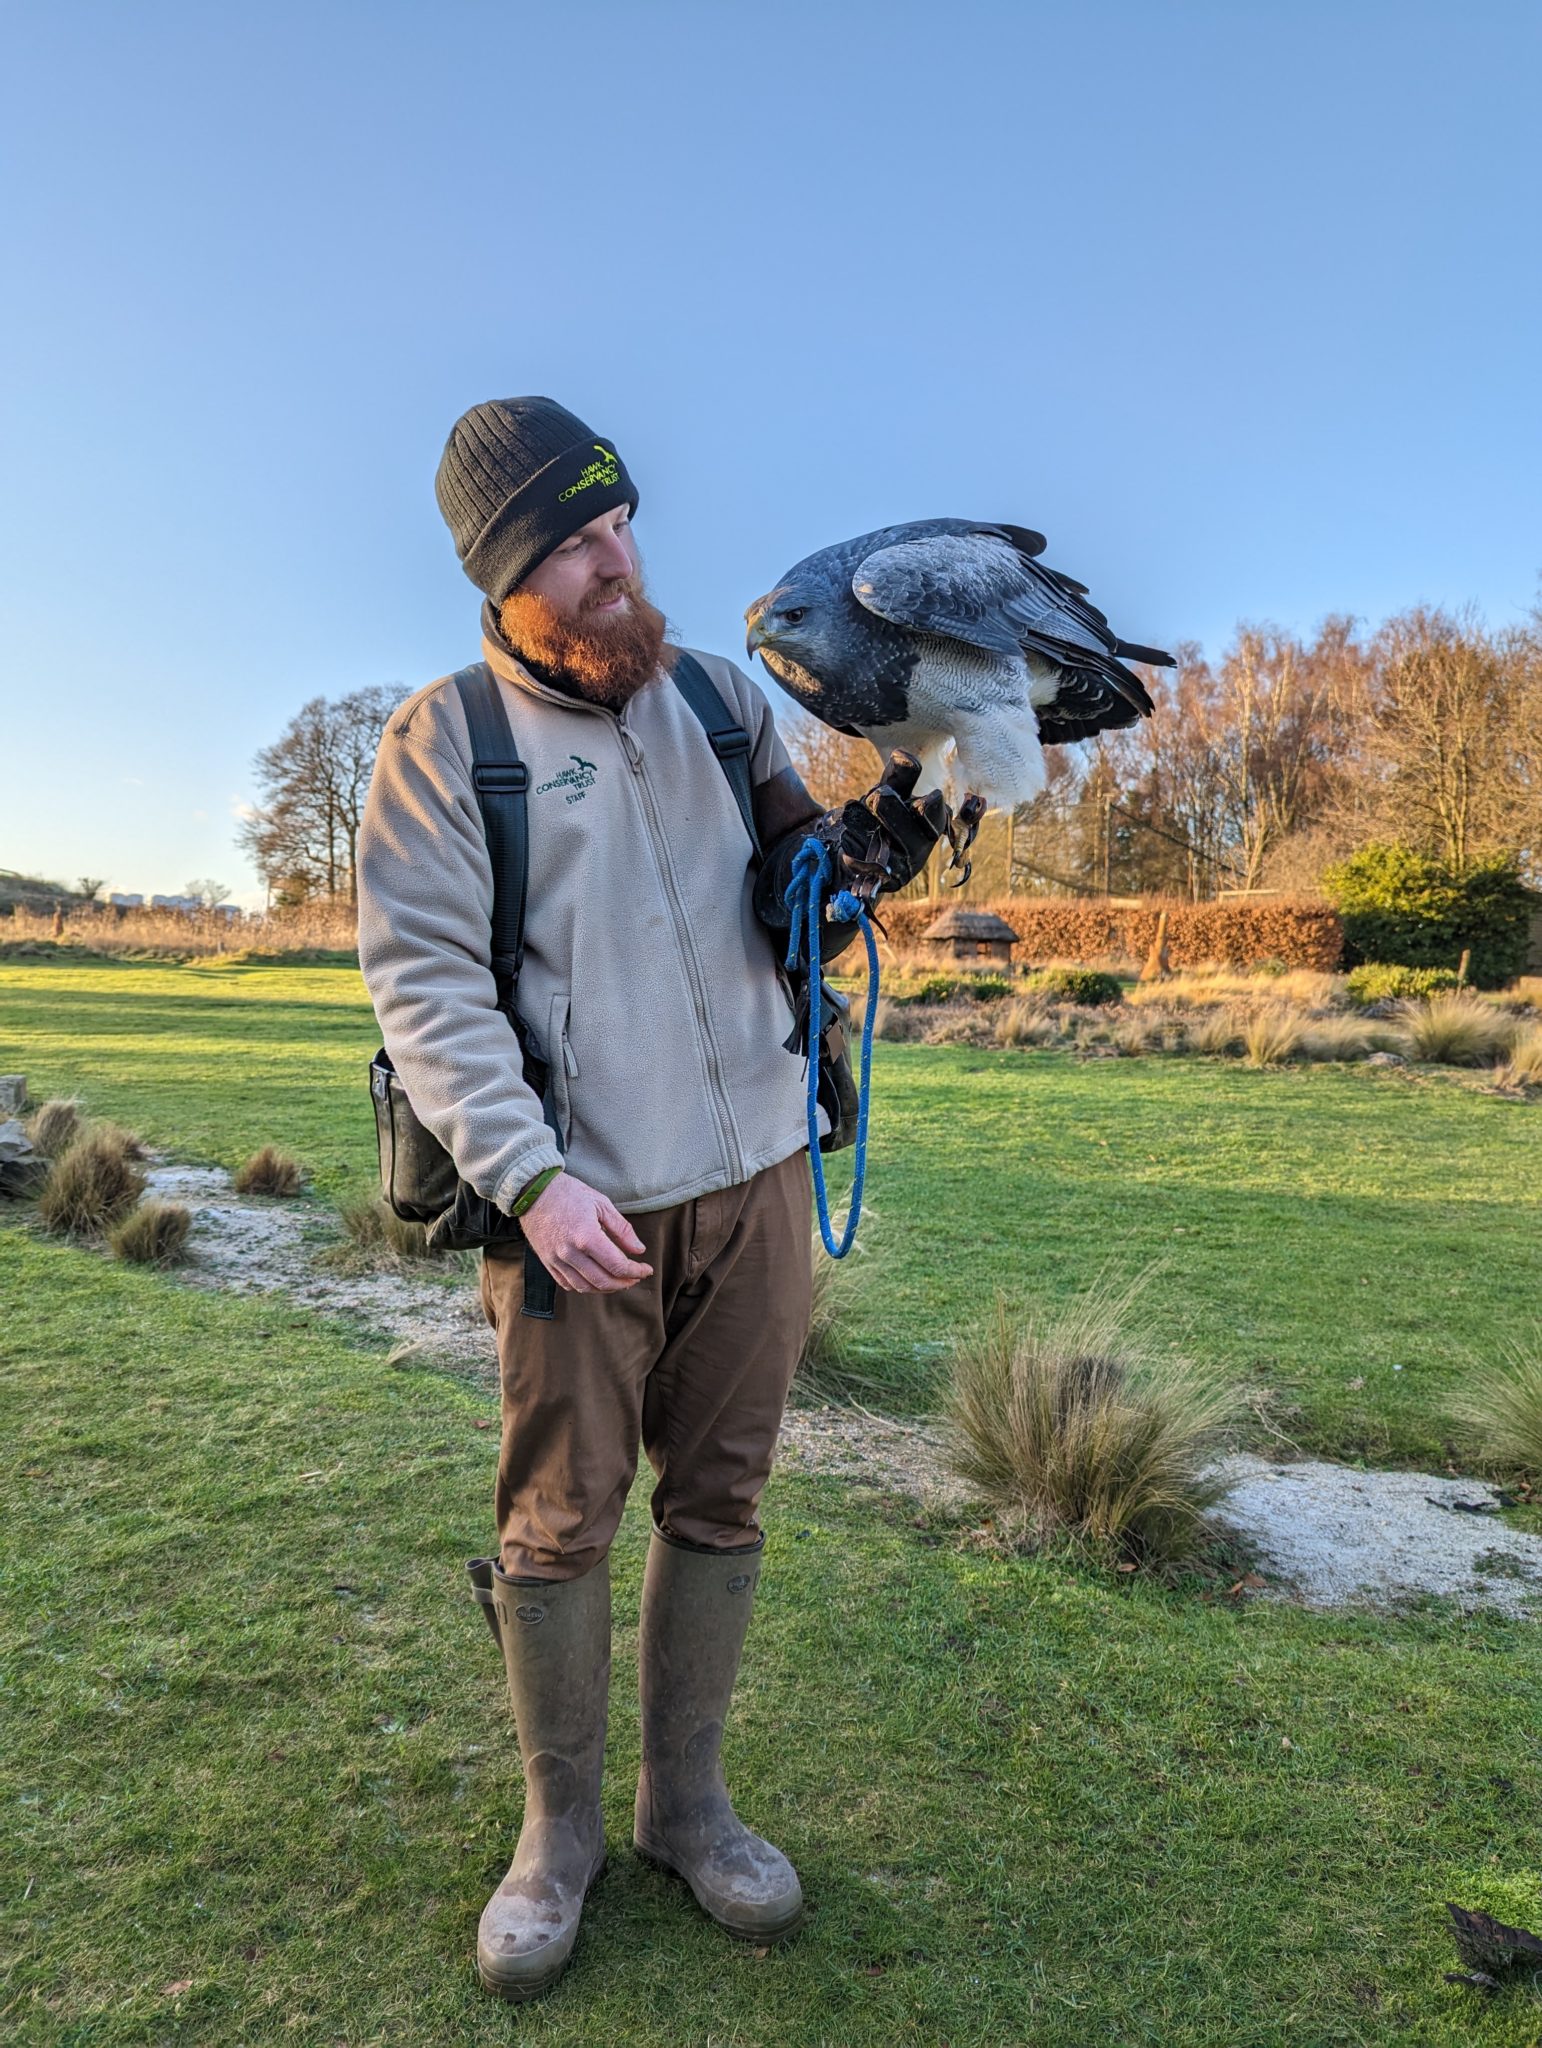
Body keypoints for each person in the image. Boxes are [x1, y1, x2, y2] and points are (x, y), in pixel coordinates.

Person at [356, 397, 951, 2001]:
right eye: (573, 545)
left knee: (726, 1501)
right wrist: (533, 1185)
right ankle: (556, 1840)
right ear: (502, 576)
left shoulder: (712, 696)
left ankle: (685, 1807)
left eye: (621, 524)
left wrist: (864, 857)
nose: (619, 565)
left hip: (759, 1178)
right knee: (557, 1523)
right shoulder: (443, 746)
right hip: (578, 1214)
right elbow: (425, 993)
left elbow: (788, 906)